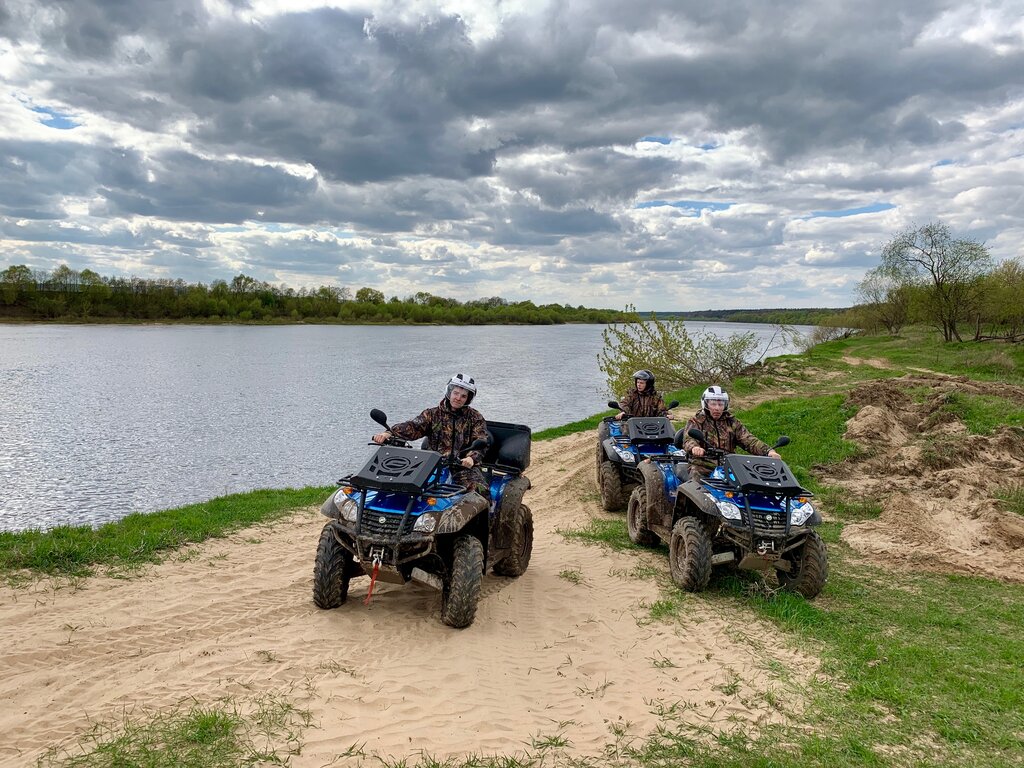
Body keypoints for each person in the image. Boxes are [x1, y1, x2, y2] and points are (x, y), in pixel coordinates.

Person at [373, 373, 490, 496]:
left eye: (463, 396)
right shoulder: (432, 414)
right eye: (456, 393)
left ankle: (490, 513)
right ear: (449, 391)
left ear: (468, 399)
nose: (458, 398)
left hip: (461, 467)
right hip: (431, 464)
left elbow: (481, 440)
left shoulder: (475, 418)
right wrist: (389, 433)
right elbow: (413, 426)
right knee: (398, 487)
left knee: (480, 491)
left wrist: (471, 458)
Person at [682, 385, 780, 479]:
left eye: (721, 404)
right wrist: (695, 448)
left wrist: (768, 451)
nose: (717, 408)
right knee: (696, 478)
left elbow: (748, 440)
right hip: (703, 464)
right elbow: (689, 439)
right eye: (713, 404)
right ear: (706, 404)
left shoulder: (732, 422)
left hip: (729, 464)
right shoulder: (696, 421)